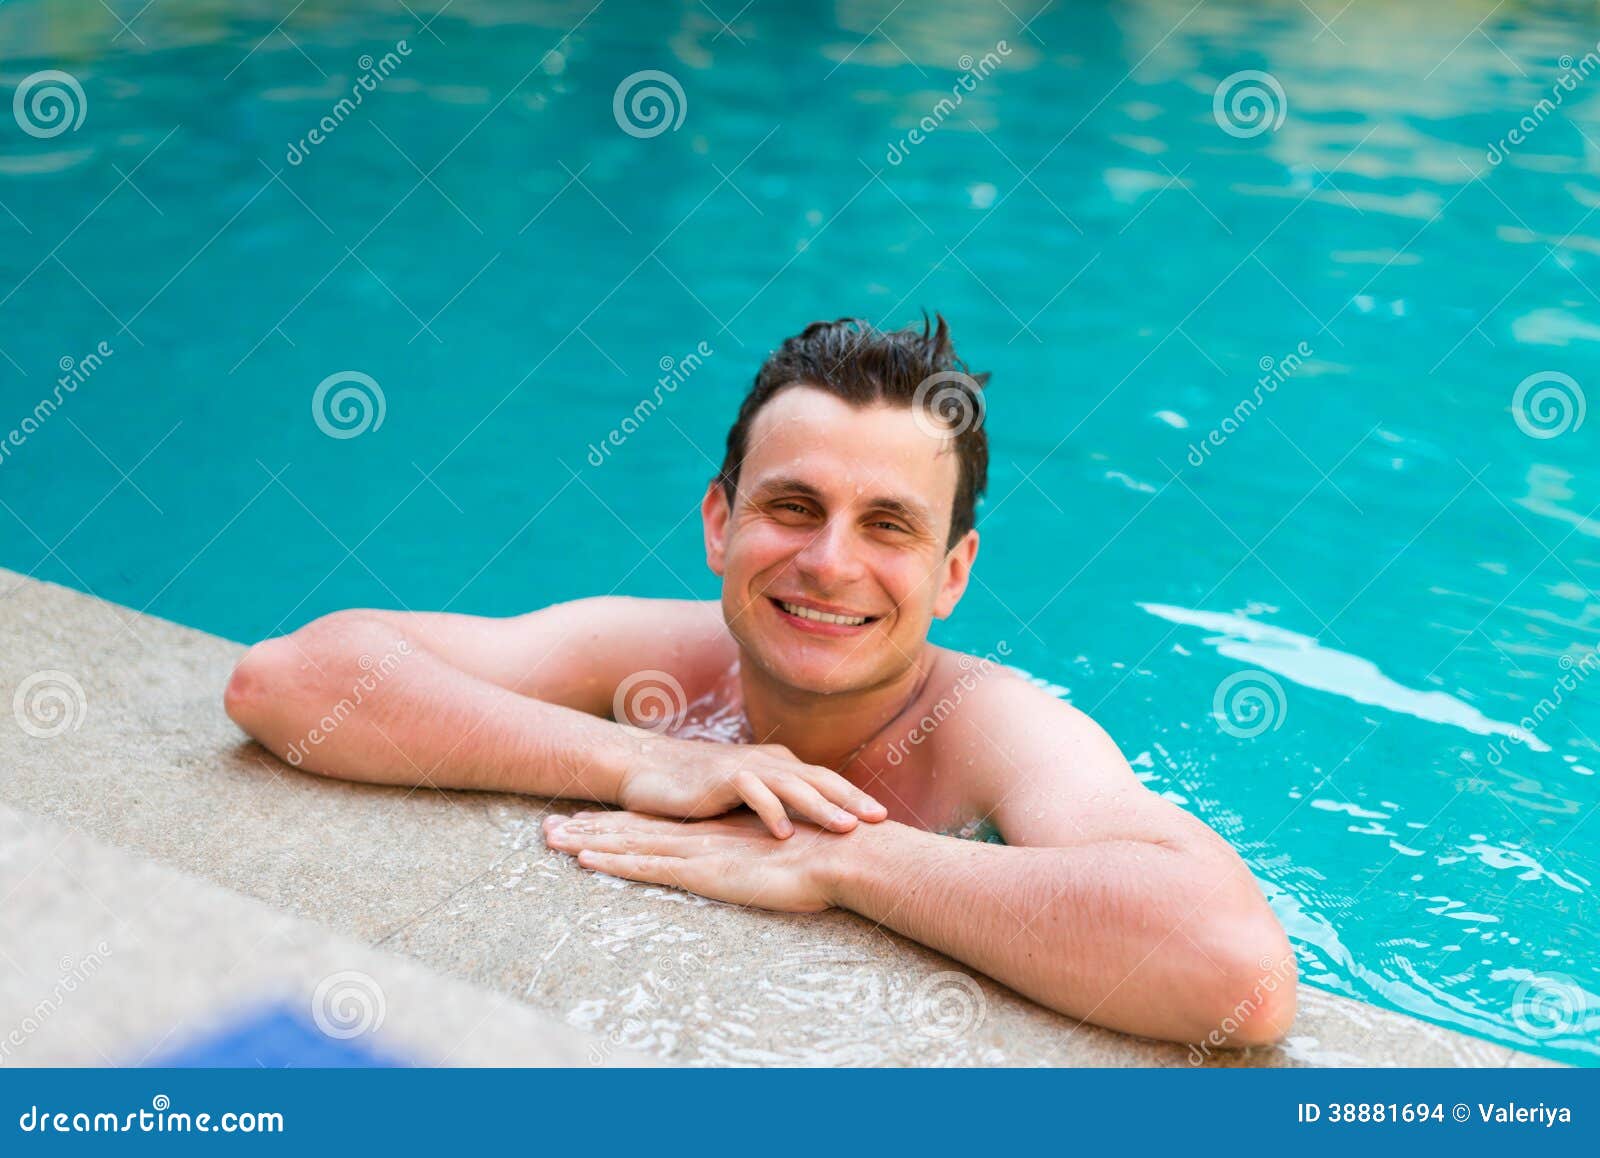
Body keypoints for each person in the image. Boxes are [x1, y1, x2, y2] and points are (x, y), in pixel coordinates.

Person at [224, 315, 1295, 1048]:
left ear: (950, 574)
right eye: (791, 507)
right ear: (718, 521)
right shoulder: (653, 662)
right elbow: (288, 683)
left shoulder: (992, 729)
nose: (829, 562)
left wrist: (859, 862)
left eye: (887, 526)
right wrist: (643, 758)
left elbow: (1233, 973)